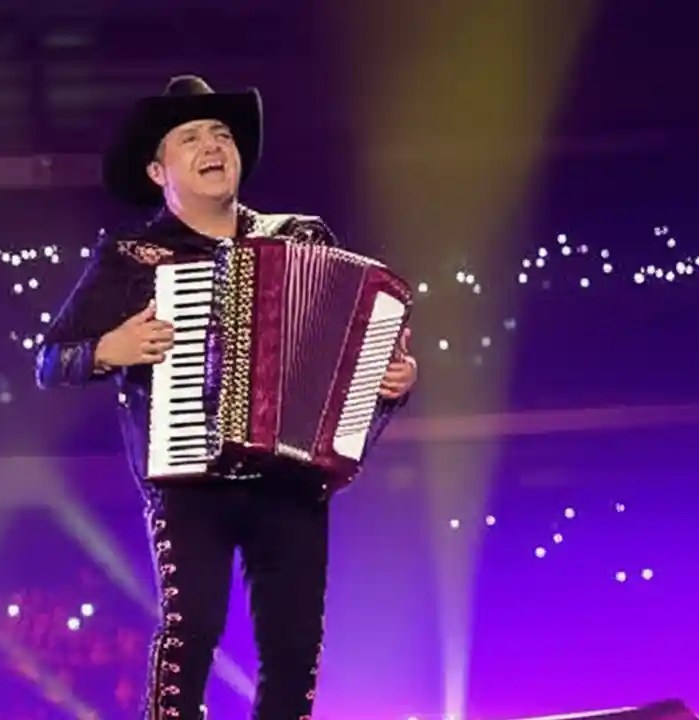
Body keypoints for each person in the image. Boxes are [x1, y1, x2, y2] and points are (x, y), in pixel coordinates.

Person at [35, 75, 417, 719]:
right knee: (193, 635)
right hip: (188, 480)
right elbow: (49, 361)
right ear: (160, 170)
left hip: (290, 476)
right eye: (191, 137)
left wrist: (392, 383)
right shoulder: (131, 258)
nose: (213, 145)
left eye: (221, 134)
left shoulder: (300, 236)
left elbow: (349, 357)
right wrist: (109, 350)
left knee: (295, 648)